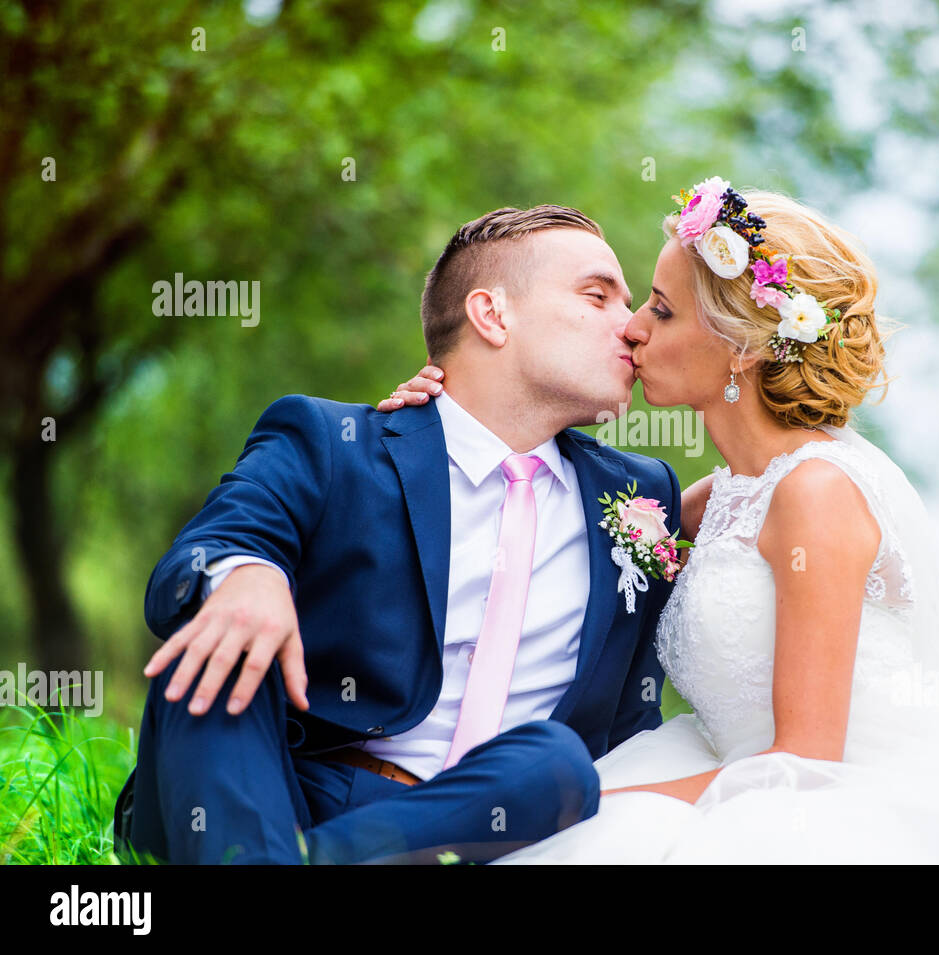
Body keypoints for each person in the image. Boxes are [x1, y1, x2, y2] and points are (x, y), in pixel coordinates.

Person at [382, 178, 939, 863]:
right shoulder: (718, 497)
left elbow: (803, 757)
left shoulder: (818, 492)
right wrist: (447, 407)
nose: (631, 329)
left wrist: (603, 808)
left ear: (738, 346)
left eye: (659, 310)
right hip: (729, 765)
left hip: (829, 799)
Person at [114, 204, 689, 864]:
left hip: (477, 823)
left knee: (557, 761)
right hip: (279, 788)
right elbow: (200, 555)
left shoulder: (643, 498)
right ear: (493, 315)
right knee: (221, 644)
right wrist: (248, 575)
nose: (636, 324)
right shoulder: (332, 443)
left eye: (636, 301)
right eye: (599, 295)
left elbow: (630, 723)